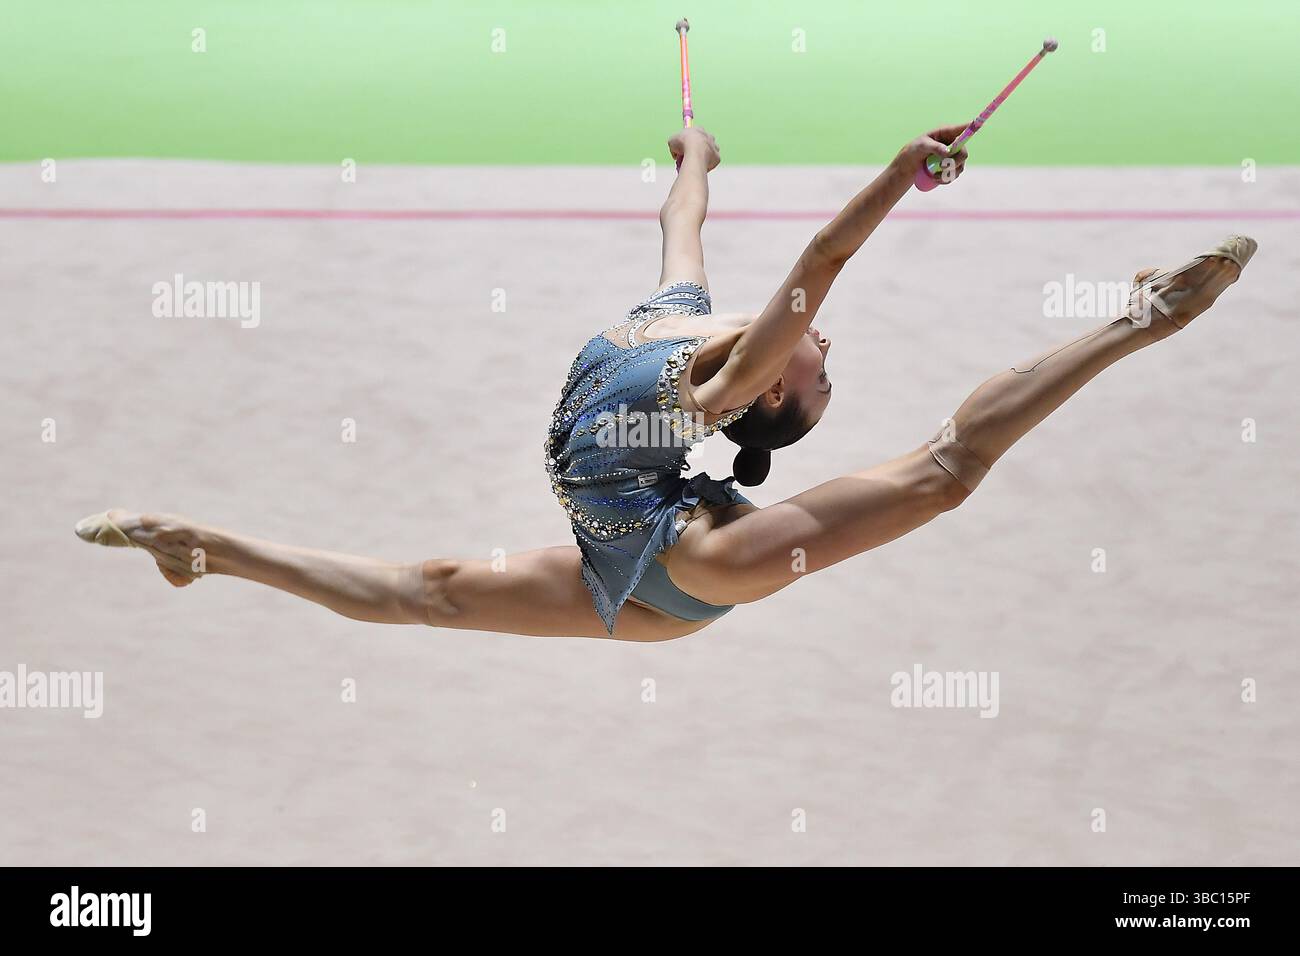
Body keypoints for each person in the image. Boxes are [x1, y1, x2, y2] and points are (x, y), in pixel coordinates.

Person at [75, 125, 1256, 642]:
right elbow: (682, 224)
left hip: (694, 562)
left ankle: (1142, 316)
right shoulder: (676, 321)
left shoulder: (707, 392)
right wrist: (694, 161)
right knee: (416, 595)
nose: (826, 346)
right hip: (614, 562)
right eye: (823, 365)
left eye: (817, 368)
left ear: (755, 394)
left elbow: (824, 263)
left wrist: (901, 171)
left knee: (946, 472)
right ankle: (205, 547)